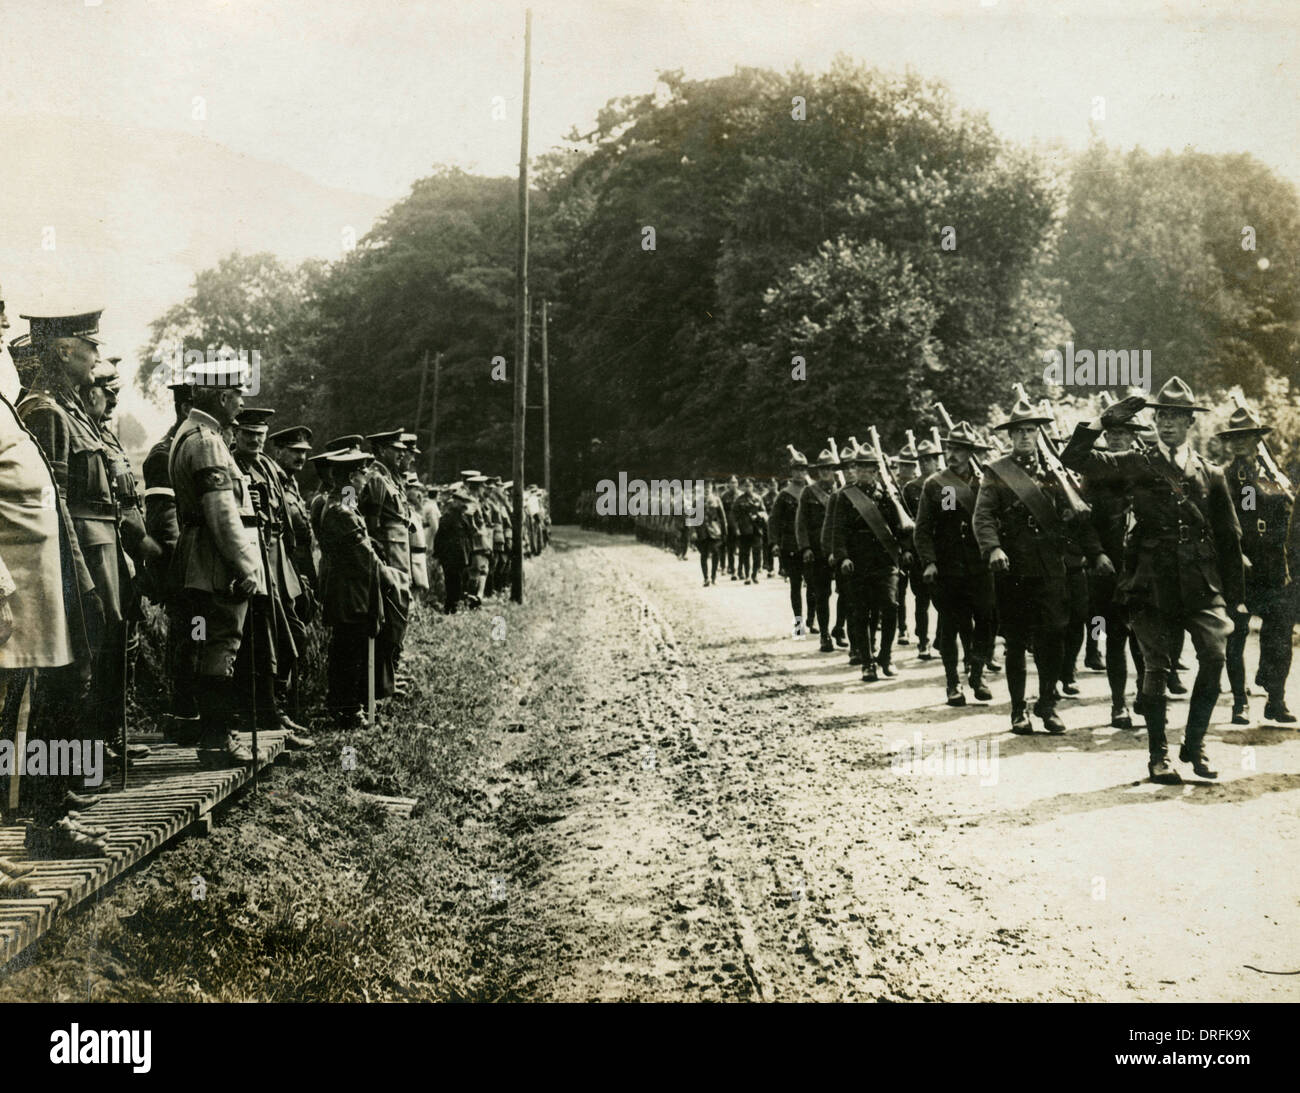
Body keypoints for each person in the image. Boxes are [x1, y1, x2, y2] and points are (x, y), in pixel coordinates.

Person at [1061, 379, 1244, 784]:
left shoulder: (1210, 474)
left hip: (1199, 582)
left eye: (1177, 418)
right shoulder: (1136, 462)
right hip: (1151, 580)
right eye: (1162, 417)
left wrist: (1236, 599)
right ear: (1155, 421)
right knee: (1155, 667)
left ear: (1189, 424)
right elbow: (1074, 458)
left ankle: (1194, 745)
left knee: (1214, 656)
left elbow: (1230, 538)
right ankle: (1158, 755)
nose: (1168, 425)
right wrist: (1101, 422)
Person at [0, 297, 102, 858]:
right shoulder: (34, 406)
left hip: (38, 594)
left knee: (43, 707)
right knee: (19, 717)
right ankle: (43, 821)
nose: (7, 338)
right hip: (16, 599)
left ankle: (47, 821)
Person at [18, 310, 134, 777]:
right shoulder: (45, 411)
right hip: (74, 555)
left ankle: (80, 773)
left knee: (92, 659)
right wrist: (78, 573)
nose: (96, 358)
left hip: (94, 549)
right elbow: (54, 502)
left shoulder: (69, 410)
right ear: (64, 351)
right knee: (72, 669)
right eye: (90, 348)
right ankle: (62, 783)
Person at [974, 399, 1110, 736]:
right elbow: (983, 516)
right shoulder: (996, 471)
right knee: (1016, 641)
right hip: (1013, 568)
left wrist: (1094, 553)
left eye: (1030, 430)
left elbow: (1077, 519)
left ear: (1038, 434)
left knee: (1054, 637)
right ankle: (1018, 709)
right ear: (1010, 436)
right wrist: (993, 549)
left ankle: (1047, 704)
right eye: (1018, 431)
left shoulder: (1055, 471)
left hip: (1052, 566)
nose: (1024, 436)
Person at [167, 359, 266, 768]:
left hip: (198, 556)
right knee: (222, 644)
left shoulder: (190, 432)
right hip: (213, 559)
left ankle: (214, 737)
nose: (241, 404)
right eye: (239, 395)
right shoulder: (207, 440)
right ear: (223, 397)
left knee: (206, 642)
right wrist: (246, 567)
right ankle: (217, 740)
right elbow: (222, 513)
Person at [232, 408, 313, 748]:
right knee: (264, 638)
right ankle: (265, 713)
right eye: (249, 434)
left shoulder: (266, 465)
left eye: (260, 435)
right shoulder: (233, 463)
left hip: (278, 554)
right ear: (236, 434)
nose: (254, 441)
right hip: (256, 554)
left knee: (290, 631)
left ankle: (276, 708)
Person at [1218, 404, 1297, 725]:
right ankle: (1240, 701)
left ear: (1257, 440)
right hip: (1241, 563)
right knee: (1235, 636)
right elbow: (1225, 521)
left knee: (1279, 634)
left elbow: (1286, 513)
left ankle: (1275, 699)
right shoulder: (1224, 476)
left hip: (1273, 564)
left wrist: (1284, 490)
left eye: (1247, 437)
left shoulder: (1271, 474)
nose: (1240, 443)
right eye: (1235, 438)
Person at [914, 421, 996, 707]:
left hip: (981, 562)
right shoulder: (936, 484)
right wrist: (929, 562)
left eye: (959, 450)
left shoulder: (988, 479)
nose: (953, 455)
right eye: (950, 449)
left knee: (987, 617)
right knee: (949, 625)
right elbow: (922, 528)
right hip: (948, 566)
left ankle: (977, 671)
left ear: (971, 452)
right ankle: (953, 683)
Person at [317, 449, 396, 727]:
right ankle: (349, 710)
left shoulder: (346, 506)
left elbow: (364, 541)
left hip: (352, 588)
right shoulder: (341, 511)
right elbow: (362, 555)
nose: (366, 478)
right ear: (351, 476)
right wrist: (388, 577)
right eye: (363, 473)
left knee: (350, 647)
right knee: (350, 649)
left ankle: (349, 706)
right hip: (348, 590)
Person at [1082, 418, 1150, 729]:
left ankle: (1144, 693)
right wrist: (1096, 554)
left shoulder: (1147, 467)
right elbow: (1085, 521)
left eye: (1121, 433)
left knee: (1144, 636)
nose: (1114, 438)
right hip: (1107, 567)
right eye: (1110, 433)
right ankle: (1118, 704)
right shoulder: (1095, 472)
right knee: (1114, 638)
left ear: (1134, 436)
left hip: (1144, 567)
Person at [143, 374, 198, 741]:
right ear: (183, 409)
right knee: (189, 637)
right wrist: (191, 568)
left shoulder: (189, 445)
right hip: (183, 568)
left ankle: (190, 712)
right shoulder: (166, 453)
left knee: (198, 638)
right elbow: (165, 522)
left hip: (196, 564)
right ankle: (183, 716)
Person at [827, 442, 911, 682]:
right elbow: (838, 530)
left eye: (869, 469)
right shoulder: (846, 496)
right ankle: (867, 662)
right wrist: (842, 557)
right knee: (861, 612)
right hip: (857, 561)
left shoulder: (887, 495)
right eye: (860, 468)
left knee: (890, 606)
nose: (864, 473)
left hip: (885, 560)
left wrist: (905, 550)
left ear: (876, 471)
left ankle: (886, 656)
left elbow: (902, 526)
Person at [360, 430, 413, 702]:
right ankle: (382, 686)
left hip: (399, 553)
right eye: (395, 449)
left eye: (402, 449)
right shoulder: (377, 479)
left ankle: (390, 677)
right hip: (389, 555)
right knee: (389, 620)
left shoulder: (392, 479)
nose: (402, 453)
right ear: (380, 451)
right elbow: (371, 525)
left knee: (399, 617)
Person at [797, 448, 839, 651]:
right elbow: (801, 522)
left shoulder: (843, 491)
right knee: (822, 593)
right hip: (817, 550)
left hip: (840, 548)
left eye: (829, 468)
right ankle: (824, 634)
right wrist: (805, 547)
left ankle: (840, 628)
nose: (825, 472)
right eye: (822, 468)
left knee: (847, 593)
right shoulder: (809, 492)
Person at [770, 448, 810, 633]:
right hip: (791, 544)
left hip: (811, 544)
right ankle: (799, 624)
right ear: (791, 472)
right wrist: (775, 543)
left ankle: (814, 620)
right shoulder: (784, 494)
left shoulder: (813, 491)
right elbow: (774, 521)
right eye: (797, 470)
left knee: (814, 584)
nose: (800, 473)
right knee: (795, 585)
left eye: (803, 470)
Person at [732, 478, 765, 583]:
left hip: (756, 530)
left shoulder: (758, 498)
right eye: (746, 486)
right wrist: (736, 529)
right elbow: (734, 516)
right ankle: (747, 576)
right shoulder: (739, 500)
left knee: (757, 554)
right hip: (744, 530)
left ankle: (754, 574)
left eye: (750, 486)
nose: (748, 488)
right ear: (743, 487)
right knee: (745, 554)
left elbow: (763, 512)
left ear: (753, 487)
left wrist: (759, 516)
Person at [695, 481, 727, 586]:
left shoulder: (716, 500)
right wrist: (693, 532)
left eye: (708, 487)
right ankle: (706, 578)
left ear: (712, 487)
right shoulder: (697, 501)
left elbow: (722, 517)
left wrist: (724, 531)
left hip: (714, 530)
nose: (706, 489)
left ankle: (713, 577)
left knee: (715, 552)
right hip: (702, 531)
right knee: (704, 554)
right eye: (704, 487)